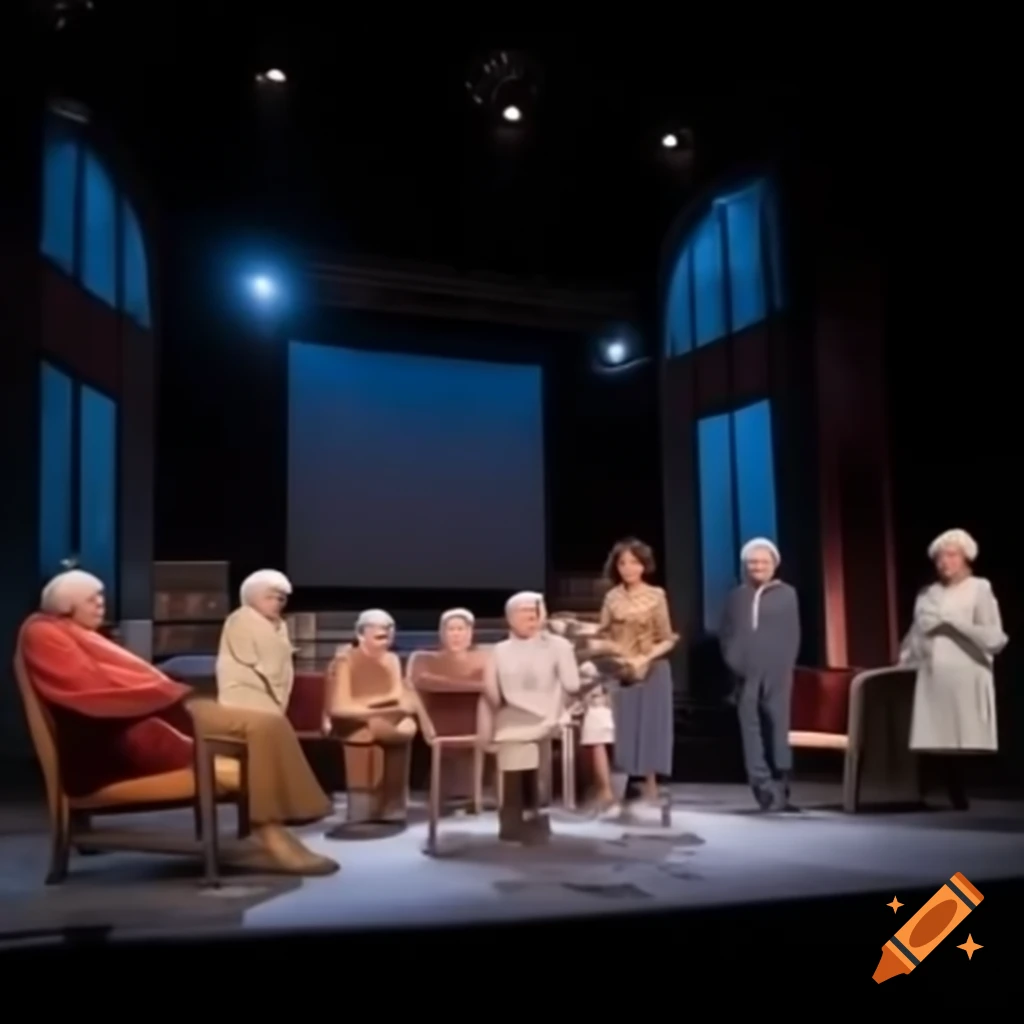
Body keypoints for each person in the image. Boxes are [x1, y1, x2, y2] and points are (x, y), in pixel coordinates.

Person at [19, 570, 338, 876]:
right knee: (254, 731)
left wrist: (162, 691)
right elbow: (87, 692)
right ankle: (270, 833)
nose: (101, 603)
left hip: (161, 708)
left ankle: (289, 819)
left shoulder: (82, 635)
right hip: (145, 719)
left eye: (101, 596)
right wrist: (160, 695)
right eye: (92, 599)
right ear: (65, 605)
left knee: (268, 724)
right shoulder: (44, 633)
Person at [899, 528, 1008, 810]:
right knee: (934, 738)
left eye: (951, 555)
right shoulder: (928, 594)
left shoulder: (979, 588)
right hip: (933, 674)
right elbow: (915, 634)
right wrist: (903, 662)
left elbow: (993, 636)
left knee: (962, 737)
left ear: (965, 558)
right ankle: (936, 793)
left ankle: (964, 794)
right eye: (939, 558)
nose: (944, 562)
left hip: (965, 674)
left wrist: (954, 623)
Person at [484, 592, 581, 843]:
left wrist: (561, 711)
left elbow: (572, 685)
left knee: (531, 742)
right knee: (513, 743)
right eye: (523, 611)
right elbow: (491, 692)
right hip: (512, 718)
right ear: (509, 618)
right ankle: (514, 818)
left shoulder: (559, 646)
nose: (530, 615)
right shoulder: (500, 650)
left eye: (534, 609)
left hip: (549, 714)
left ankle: (533, 814)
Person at [719, 538, 801, 812]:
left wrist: (784, 665)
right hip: (744, 675)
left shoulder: (787, 594)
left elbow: (793, 634)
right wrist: (734, 661)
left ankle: (782, 785)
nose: (757, 566)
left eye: (763, 562)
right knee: (751, 730)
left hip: (777, 672)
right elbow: (727, 633)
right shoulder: (736, 596)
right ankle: (761, 788)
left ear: (774, 565)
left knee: (777, 728)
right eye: (752, 562)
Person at [598, 538, 679, 814]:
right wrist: (614, 657)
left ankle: (652, 785)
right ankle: (626, 786)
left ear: (644, 565)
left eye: (634, 562)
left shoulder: (656, 596)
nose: (628, 568)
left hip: (652, 667)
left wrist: (645, 657)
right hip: (620, 670)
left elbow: (668, 638)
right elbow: (603, 634)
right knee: (623, 728)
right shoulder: (612, 598)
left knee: (650, 728)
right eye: (622, 563)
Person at [325, 609, 418, 822]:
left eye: (388, 633)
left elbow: (398, 695)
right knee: (368, 730)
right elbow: (339, 707)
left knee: (402, 726)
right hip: (354, 722)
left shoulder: (392, 660)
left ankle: (392, 806)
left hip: (387, 719)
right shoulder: (345, 661)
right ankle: (363, 807)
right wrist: (378, 706)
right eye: (378, 634)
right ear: (361, 634)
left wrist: (385, 707)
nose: (385, 636)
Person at [406, 608, 490, 806]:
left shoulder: (485, 658)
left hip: (478, 721)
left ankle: (479, 793)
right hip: (439, 721)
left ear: (470, 633)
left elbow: (495, 683)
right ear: (442, 633)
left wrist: (473, 686)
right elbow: (422, 681)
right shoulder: (424, 658)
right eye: (451, 629)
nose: (456, 634)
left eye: (461, 629)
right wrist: (475, 685)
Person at [548, 615, 619, 814]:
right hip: (553, 706)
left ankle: (605, 791)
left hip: (583, 708)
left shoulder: (588, 664)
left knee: (598, 719)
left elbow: (588, 689)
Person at [216, 569, 296, 714]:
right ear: (252, 597)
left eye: (281, 599)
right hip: (244, 701)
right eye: (269, 598)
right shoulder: (242, 618)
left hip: (271, 704)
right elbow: (272, 663)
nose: (276, 603)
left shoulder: (280, 625)